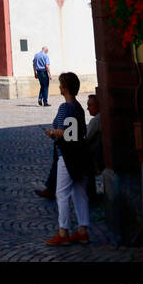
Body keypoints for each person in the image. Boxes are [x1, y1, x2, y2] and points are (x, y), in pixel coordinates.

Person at [44, 71, 90, 245]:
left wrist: (52, 132)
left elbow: (64, 132)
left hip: (67, 154)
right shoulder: (78, 107)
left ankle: (63, 231)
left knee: (61, 193)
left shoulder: (65, 108)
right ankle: (83, 230)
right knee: (79, 192)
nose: (60, 87)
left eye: (61, 85)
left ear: (65, 88)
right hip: (80, 153)